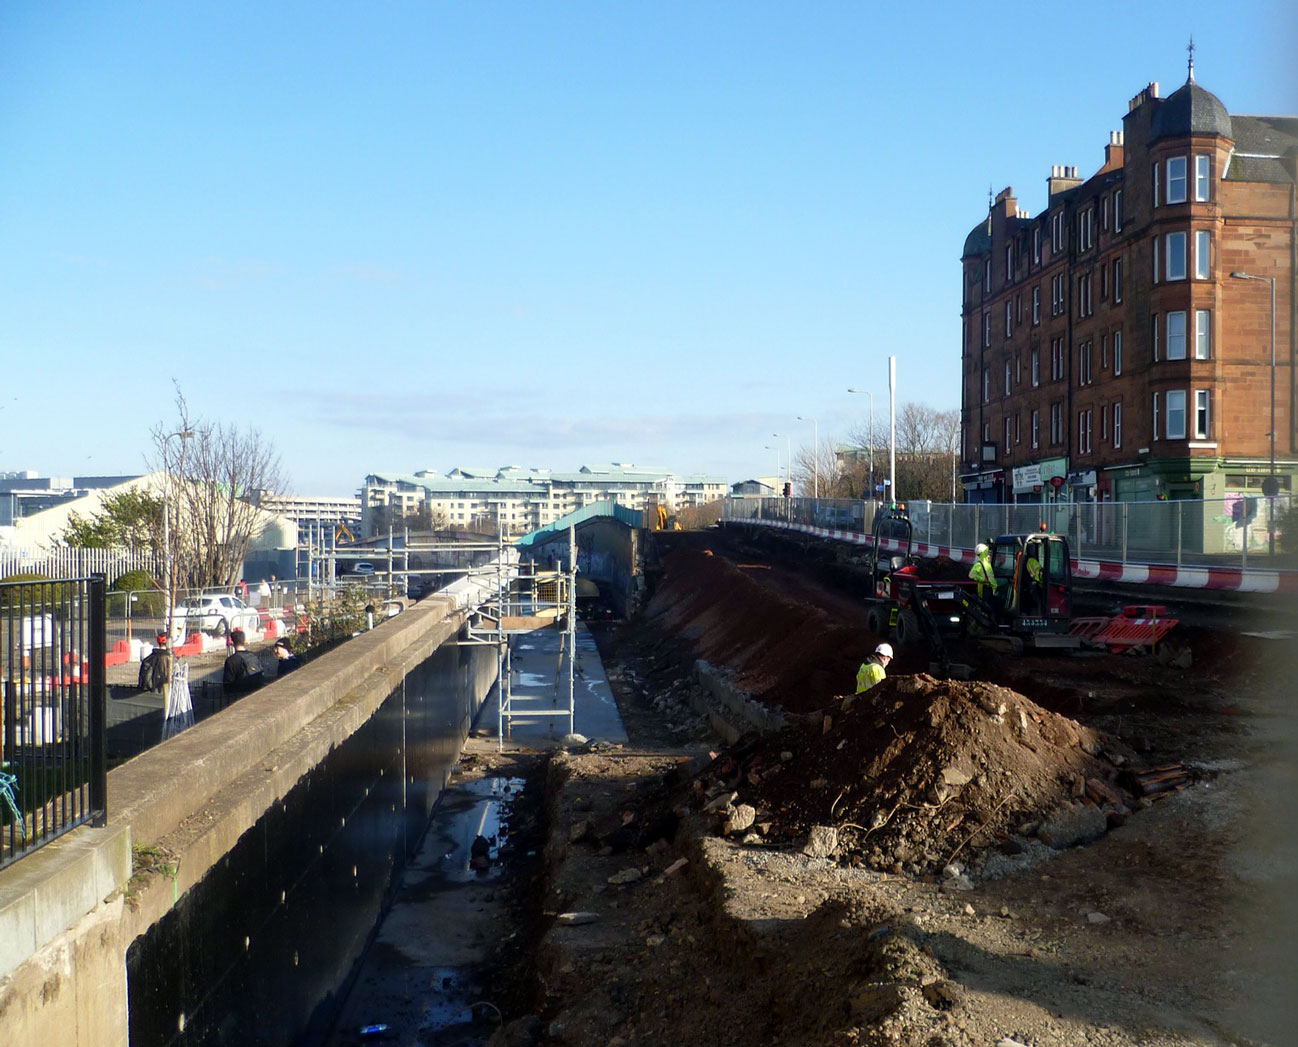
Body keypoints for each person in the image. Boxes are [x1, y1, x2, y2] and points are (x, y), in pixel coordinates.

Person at [223, 628, 264, 694]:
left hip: (240, 694)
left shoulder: (231, 660)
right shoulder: (253, 655)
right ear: (244, 641)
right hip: (256, 691)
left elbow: (228, 684)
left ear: (232, 643)